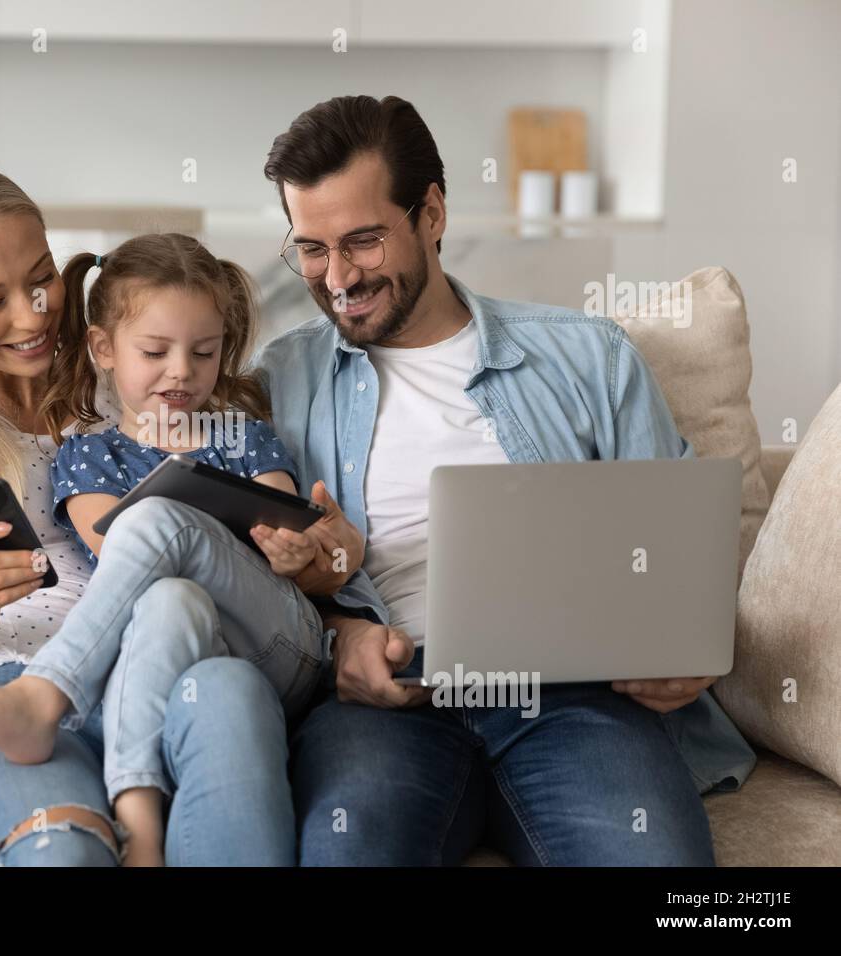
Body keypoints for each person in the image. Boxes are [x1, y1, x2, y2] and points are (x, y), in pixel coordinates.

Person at [252, 94, 757, 865]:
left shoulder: (588, 356)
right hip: (385, 704)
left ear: (432, 214)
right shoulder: (278, 381)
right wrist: (336, 636)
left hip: (574, 700)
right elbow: (243, 576)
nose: (339, 277)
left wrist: (685, 648)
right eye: (312, 248)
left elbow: (681, 548)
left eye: (362, 240)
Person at [0, 164, 300, 866]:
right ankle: (42, 706)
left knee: (232, 695)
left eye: (41, 278)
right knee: (66, 856)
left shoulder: (125, 385)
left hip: (160, 665)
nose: (34, 313)